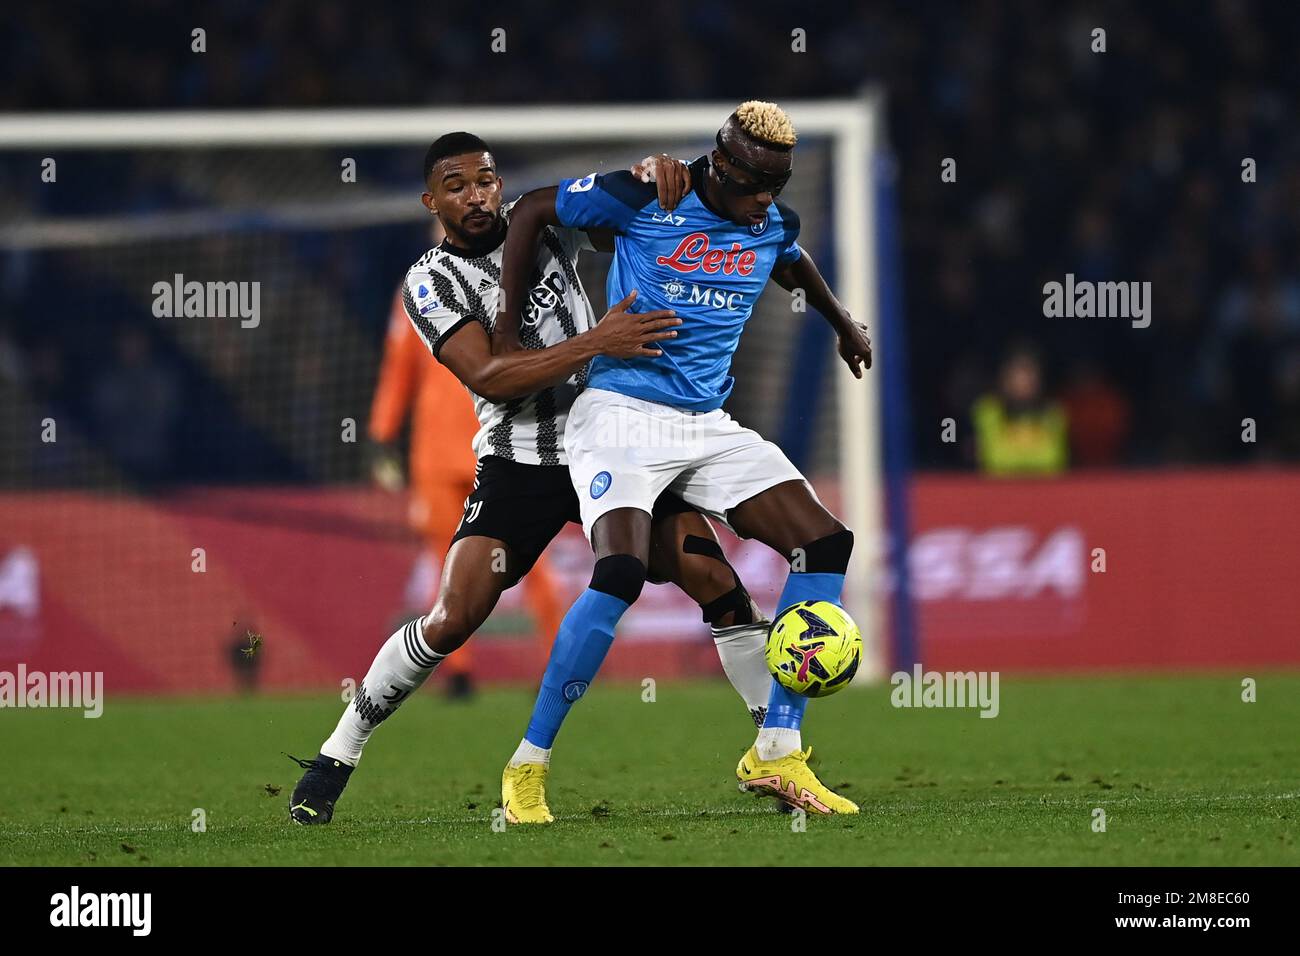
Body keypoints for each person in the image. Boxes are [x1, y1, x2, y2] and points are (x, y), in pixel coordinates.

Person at [288, 133, 776, 825]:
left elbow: (626, 215)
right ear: (431, 203)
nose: (476, 195)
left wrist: (658, 175)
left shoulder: (538, 222)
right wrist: (596, 342)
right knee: (452, 617)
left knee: (718, 582)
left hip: (611, 441)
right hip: (519, 461)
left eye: (485, 180)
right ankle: (338, 753)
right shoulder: (430, 282)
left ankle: (775, 749)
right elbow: (491, 375)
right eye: (456, 186)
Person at [495, 102, 873, 822]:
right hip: (621, 415)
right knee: (620, 573)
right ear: (720, 165)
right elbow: (533, 209)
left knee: (825, 541)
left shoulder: (770, 223)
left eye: (777, 186)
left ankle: (777, 749)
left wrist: (841, 321)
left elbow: (792, 260)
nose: (765, 200)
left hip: (705, 425)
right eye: (754, 185)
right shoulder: (648, 193)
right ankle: (527, 765)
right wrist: (509, 331)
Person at [367, 226, 565, 698]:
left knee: (531, 556)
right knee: (445, 561)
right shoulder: (417, 290)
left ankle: (560, 663)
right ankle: (458, 671)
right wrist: (380, 435)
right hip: (436, 453)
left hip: (503, 442)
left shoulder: (513, 278)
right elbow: (399, 368)